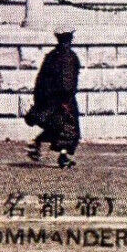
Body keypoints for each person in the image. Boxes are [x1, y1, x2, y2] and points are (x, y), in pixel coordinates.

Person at [27, 30, 82, 168]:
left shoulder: (51, 56)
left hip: (49, 100)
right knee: (69, 129)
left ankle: (38, 143)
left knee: (57, 128)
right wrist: (66, 99)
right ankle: (62, 157)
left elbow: (40, 80)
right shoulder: (70, 57)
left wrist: (40, 100)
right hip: (63, 101)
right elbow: (68, 83)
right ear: (69, 39)